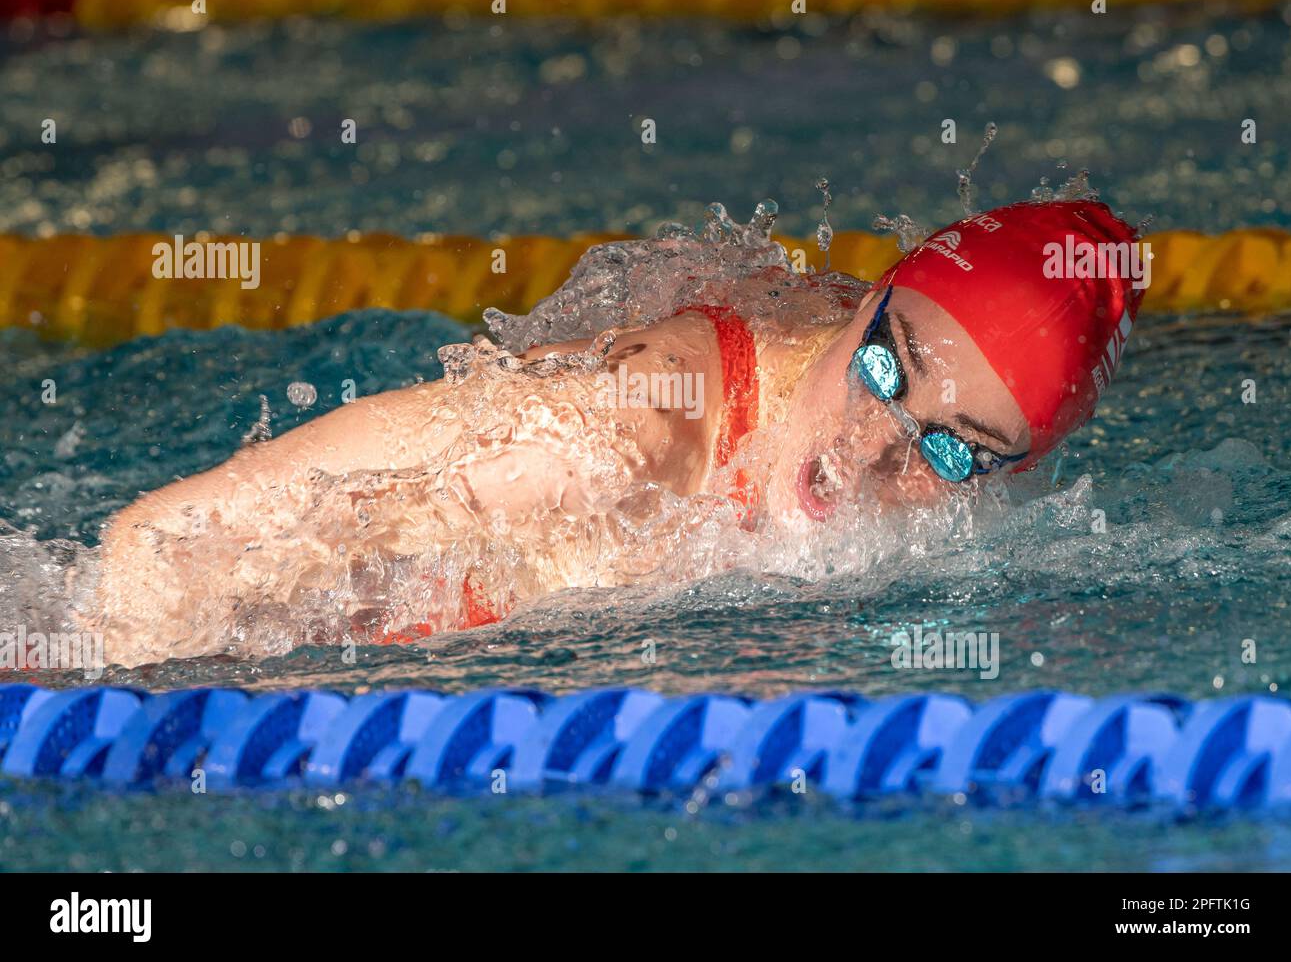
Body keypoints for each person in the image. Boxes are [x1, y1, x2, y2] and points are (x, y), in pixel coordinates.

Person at [91, 198, 1145, 665]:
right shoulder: (618, 439)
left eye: (948, 448)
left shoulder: (856, 421)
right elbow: (151, 554)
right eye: (883, 368)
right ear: (867, 300)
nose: (868, 451)